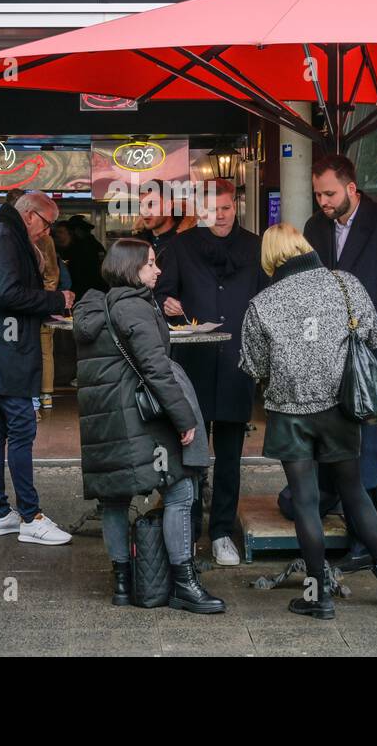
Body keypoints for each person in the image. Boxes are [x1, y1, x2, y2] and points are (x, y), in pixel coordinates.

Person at [240, 223, 377, 619]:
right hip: (340, 409)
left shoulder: (262, 303)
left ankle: (317, 595)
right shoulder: (345, 284)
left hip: (289, 414)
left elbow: (253, 365)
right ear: (304, 247)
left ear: (270, 257)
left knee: (305, 502)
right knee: (354, 494)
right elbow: (372, 336)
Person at [74, 239, 225, 613]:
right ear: (131, 268)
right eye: (151, 264)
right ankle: (184, 583)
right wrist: (185, 418)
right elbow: (155, 370)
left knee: (115, 497)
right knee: (179, 490)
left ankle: (123, 582)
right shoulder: (136, 308)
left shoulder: (94, 306)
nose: (158, 271)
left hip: (104, 418)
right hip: (139, 417)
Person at [303, 153, 377, 571]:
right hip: (327, 351)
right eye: (318, 194)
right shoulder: (315, 227)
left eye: (330, 193)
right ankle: (363, 504)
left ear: (352, 188)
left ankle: (364, 535)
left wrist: (366, 330)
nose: (323, 201)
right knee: (337, 434)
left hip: (374, 351)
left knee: (369, 435)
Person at [156, 178, 267, 566]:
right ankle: (187, 529)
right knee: (190, 453)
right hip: (194, 363)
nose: (219, 217)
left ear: (235, 206)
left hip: (238, 360)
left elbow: (268, 299)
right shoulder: (182, 246)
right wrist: (167, 302)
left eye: (225, 209)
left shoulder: (256, 245)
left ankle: (221, 532)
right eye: (211, 210)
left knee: (232, 455)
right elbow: (161, 291)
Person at [0, 191, 77, 545]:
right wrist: (57, 299)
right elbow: (7, 294)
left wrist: (43, 305)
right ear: (29, 215)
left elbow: (5, 294)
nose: (48, 232)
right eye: (47, 223)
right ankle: (30, 517)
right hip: (3, 353)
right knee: (22, 428)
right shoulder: (6, 238)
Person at [134, 182, 196, 273]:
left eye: (151, 204)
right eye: (141, 205)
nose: (144, 211)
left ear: (168, 206)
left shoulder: (189, 243)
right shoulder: (136, 242)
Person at [35, 218, 62, 416]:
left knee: (23, 349)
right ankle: (46, 395)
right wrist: (46, 298)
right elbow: (52, 273)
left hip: (23, 305)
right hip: (43, 304)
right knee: (45, 351)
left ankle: (32, 397)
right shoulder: (46, 241)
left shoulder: (11, 238)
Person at [64, 214, 107, 297]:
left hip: (85, 293)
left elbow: (79, 275)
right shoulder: (95, 244)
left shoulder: (79, 247)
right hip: (98, 292)